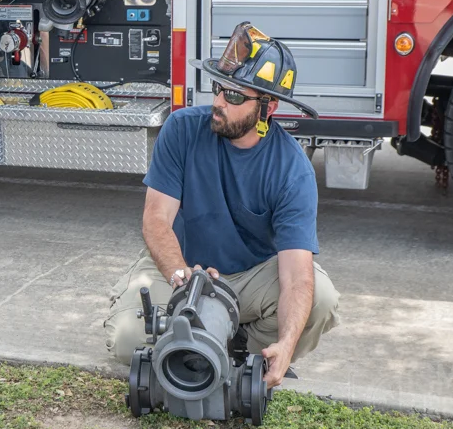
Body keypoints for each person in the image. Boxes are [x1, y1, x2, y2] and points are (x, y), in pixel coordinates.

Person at [104, 22, 341, 388]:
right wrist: (180, 277)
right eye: (218, 89)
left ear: (268, 107)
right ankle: (204, 338)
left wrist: (287, 344)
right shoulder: (181, 129)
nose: (217, 102)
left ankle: (244, 350)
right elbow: (156, 220)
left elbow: (296, 274)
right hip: (182, 267)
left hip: (249, 277)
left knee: (320, 299)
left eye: (233, 96)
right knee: (126, 341)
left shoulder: (293, 170)